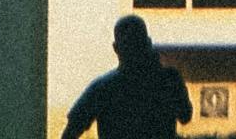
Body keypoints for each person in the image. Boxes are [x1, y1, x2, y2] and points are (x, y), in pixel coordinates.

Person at [62, 12, 193, 139]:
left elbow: (72, 129)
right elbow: (185, 116)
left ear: (116, 48)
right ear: (148, 43)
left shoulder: (103, 88)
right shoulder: (169, 80)